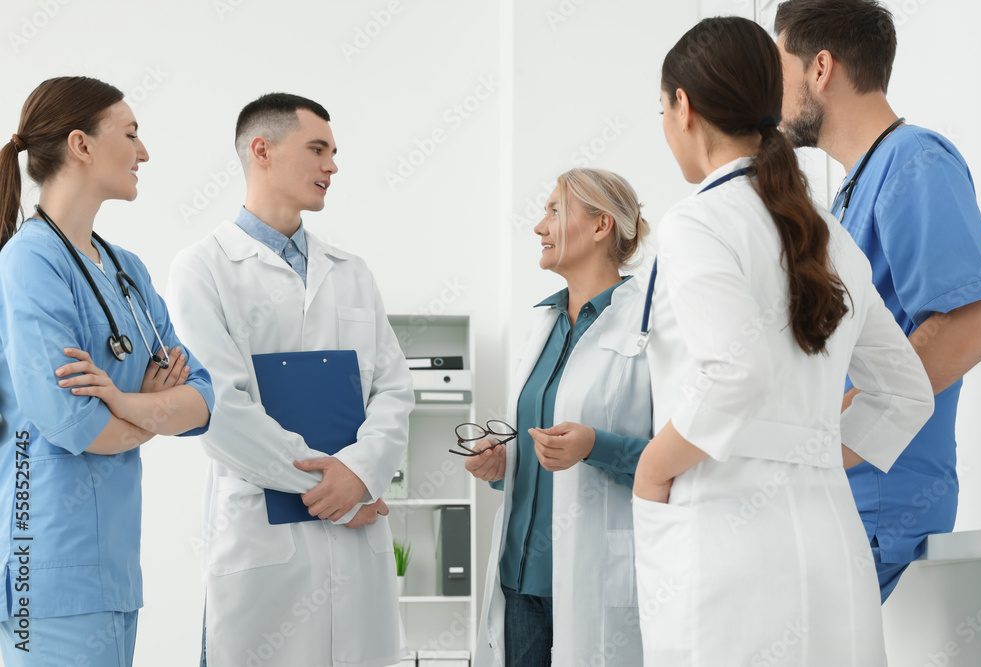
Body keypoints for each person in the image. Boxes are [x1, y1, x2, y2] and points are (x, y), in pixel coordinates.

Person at [631, 17, 935, 665]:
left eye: (662, 108)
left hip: (728, 542)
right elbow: (906, 392)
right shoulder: (826, 227)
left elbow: (737, 371)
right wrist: (812, 449)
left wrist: (652, 468)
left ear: (683, 107)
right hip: (831, 540)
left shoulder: (698, 223)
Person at [167, 93, 413, 667]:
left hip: (357, 537)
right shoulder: (202, 268)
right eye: (318, 149)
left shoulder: (352, 272)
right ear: (263, 151)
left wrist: (359, 474)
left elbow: (395, 389)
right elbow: (220, 408)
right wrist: (336, 494)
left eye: (333, 152)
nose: (333, 166)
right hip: (263, 535)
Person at [774, 0, 981, 602]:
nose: (773, 92)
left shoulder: (915, 160)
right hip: (843, 496)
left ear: (821, 68)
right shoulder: (852, 189)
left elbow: (977, 320)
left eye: (780, 68)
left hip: (880, 501)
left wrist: (833, 435)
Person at [0, 76, 214, 666]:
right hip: (47, 567)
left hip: (115, 572)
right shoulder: (29, 264)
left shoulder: (127, 270)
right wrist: (147, 412)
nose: (143, 152)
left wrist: (124, 405)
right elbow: (72, 424)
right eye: (131, 134)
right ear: (81, 145)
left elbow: (202, 398)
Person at [470, 168, 652, 666]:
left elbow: (679, 455)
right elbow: (535, 443)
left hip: (595, 571)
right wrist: (501, 464)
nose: (539, 227)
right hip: (520, 577)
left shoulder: (650, 323)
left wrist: (597, 446)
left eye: (554, 211)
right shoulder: (542, 325)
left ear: (600, 226)